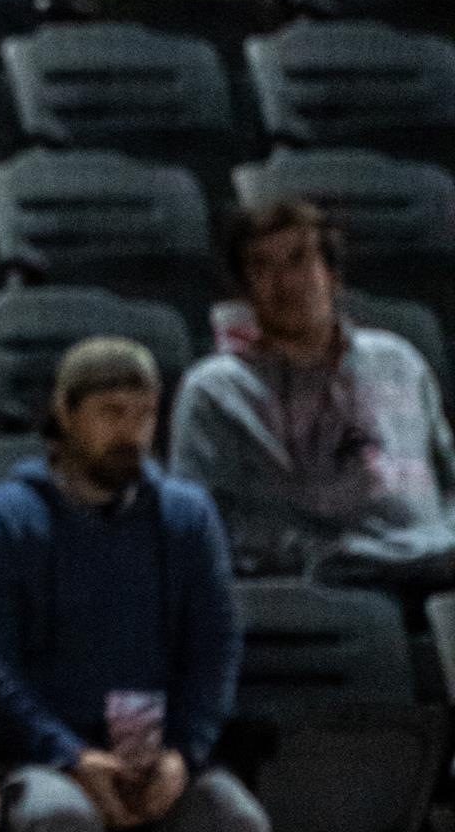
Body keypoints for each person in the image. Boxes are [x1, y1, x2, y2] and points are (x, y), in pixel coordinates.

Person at [0, 337, 270, 832]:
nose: (131, 433)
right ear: (65, 415)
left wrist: (183, 754)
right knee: (61, 824)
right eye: (110, 413)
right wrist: (68, 754)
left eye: (145, 415)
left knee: (234, 825)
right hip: (43, 755)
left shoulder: (186, 517)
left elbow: (215, 645)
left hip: (158, 753)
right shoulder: (3, 521)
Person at [171, 200, 455, 590]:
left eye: (299, 260)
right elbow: (202, 521)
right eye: (261, 267)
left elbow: (448, 477)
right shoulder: (216, 390)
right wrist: (322, 556)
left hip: (436, 573)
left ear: (332, 275)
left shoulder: (399, 360)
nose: (284, 281)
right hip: (321, 589)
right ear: (245, 288)